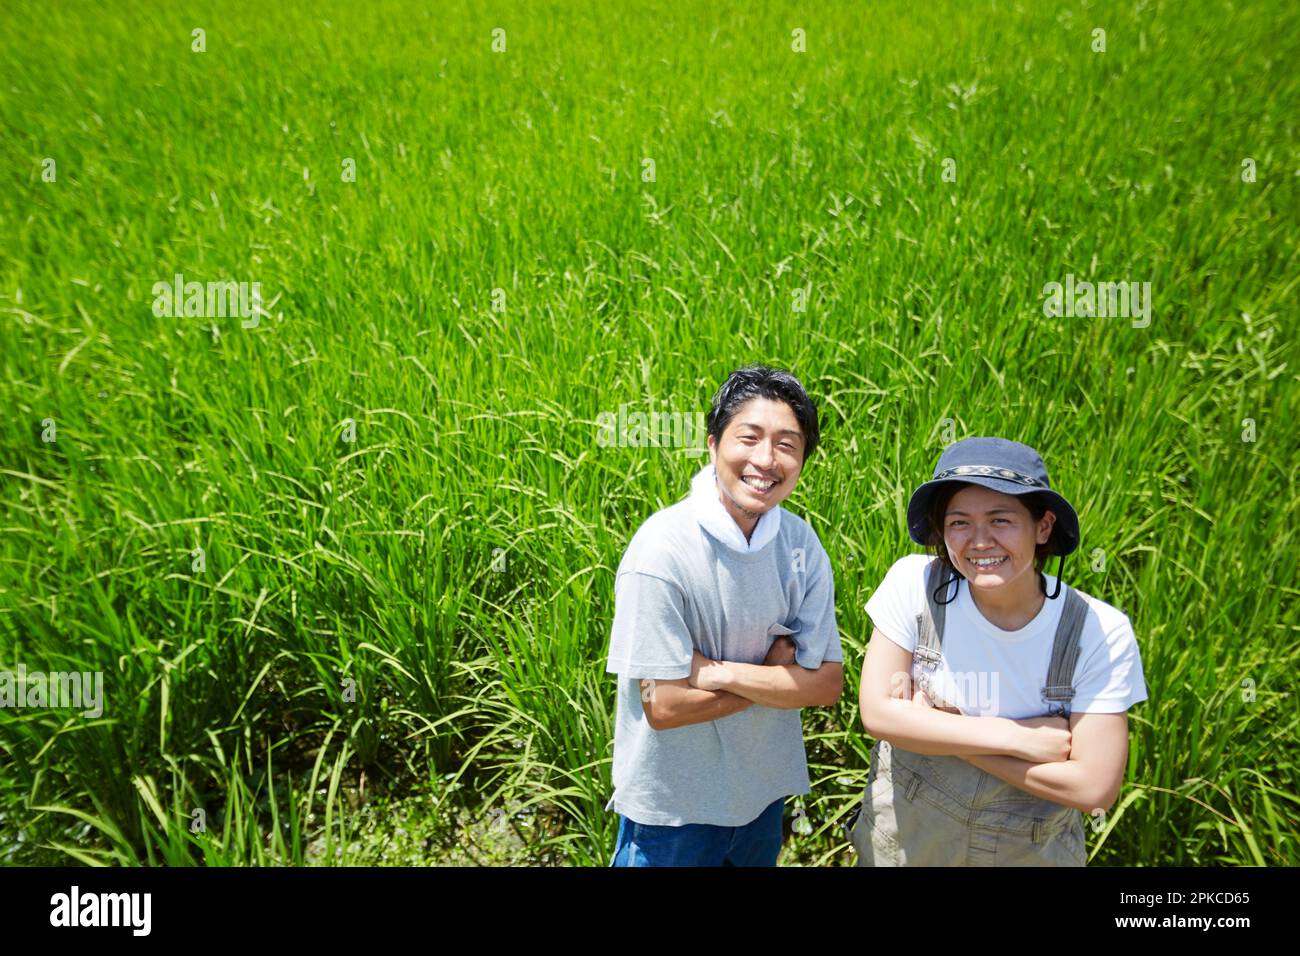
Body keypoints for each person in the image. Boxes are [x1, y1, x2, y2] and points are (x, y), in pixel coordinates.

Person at [850, 436, 1147, 866]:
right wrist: (1017, 737)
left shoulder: (1099, 631)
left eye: (1001, 520)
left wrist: (933, 725)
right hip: (905, 844)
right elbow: (877, 714)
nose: (979, 541)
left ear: (1042, 527)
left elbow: (1093, 788)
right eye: (959, 523)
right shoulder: (913, 585)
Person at [605, 365, 844, 866]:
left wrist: (715, 671)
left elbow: (824, 686)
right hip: (671, 813)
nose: (765, 459)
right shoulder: (661, 552)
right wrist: (776, 677)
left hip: (760, 798)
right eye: (749, 437)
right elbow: (665, 707)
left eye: (786, 444)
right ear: (713, 444)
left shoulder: (800, 545)